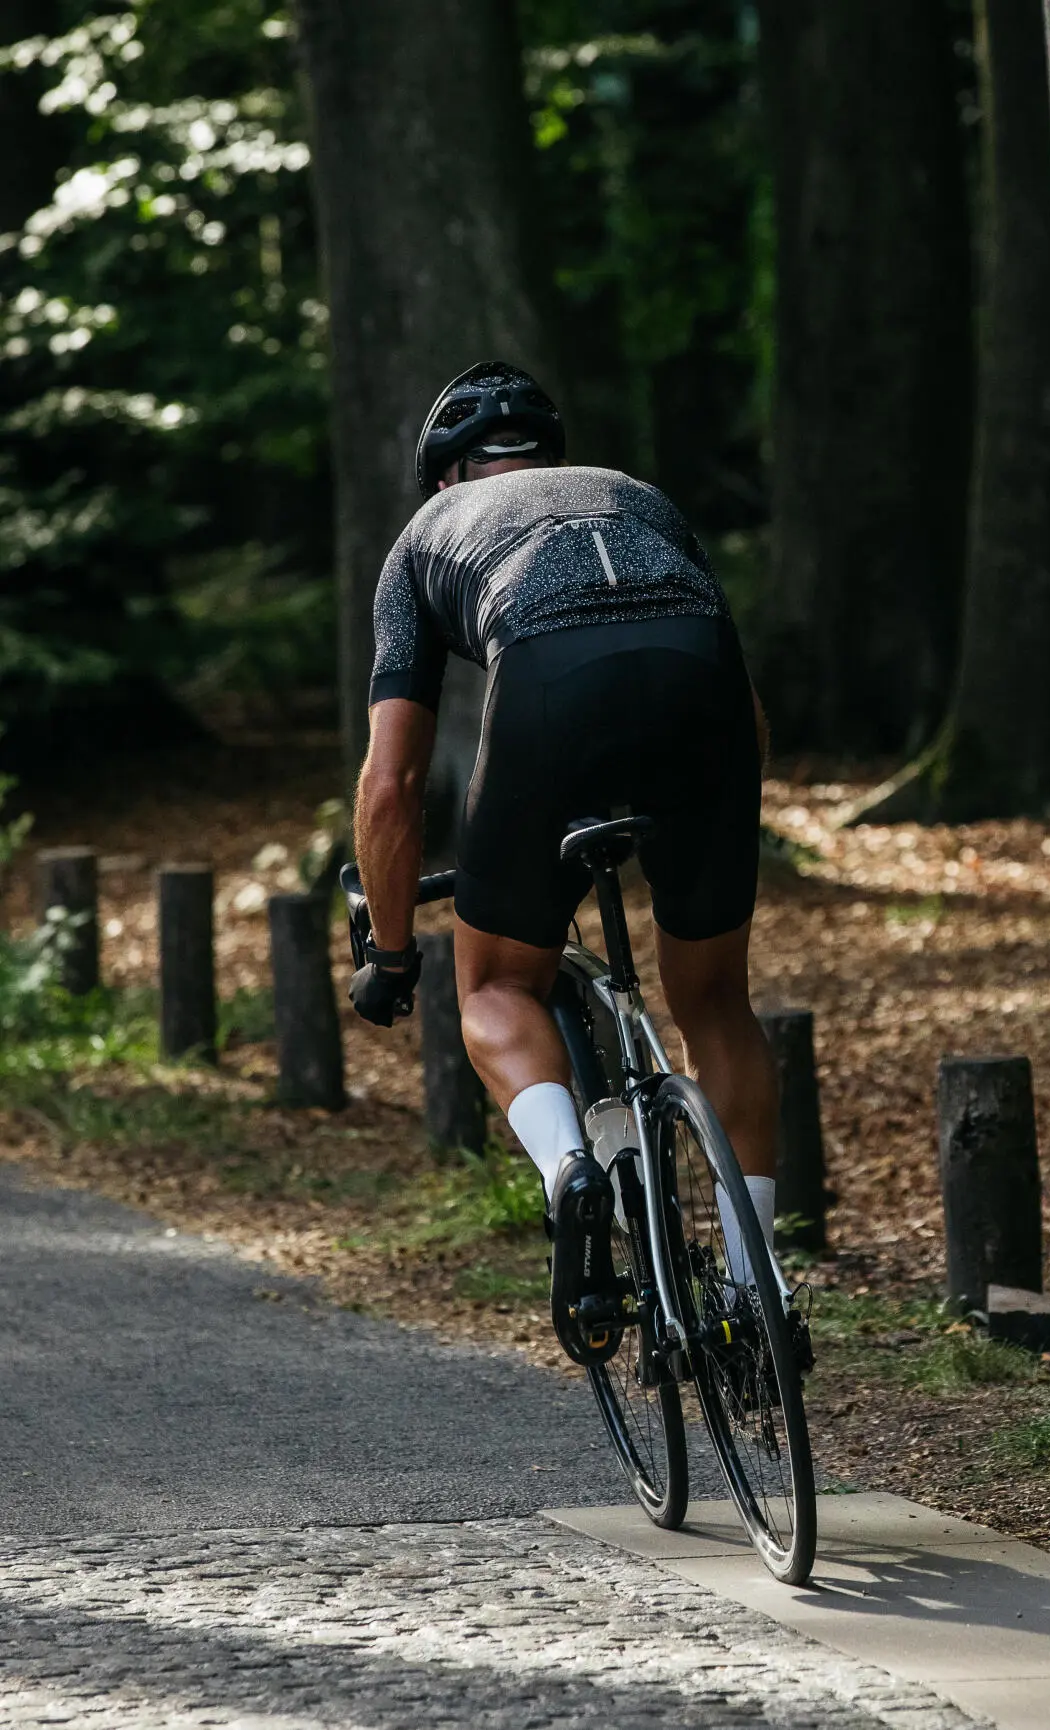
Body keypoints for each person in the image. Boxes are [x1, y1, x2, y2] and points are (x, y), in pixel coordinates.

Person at [349, 359, 779, 1364]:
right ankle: (760, 1290)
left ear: (446, 475)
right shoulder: (639, 499)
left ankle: (570, 1168)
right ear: (550, 452)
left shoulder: (423, 539)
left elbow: (391, 784)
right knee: (715, 1000)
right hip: (699, 691)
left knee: (497, 983)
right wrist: (704, 822)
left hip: (548, 682)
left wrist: (394, 948)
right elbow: (740, 712)